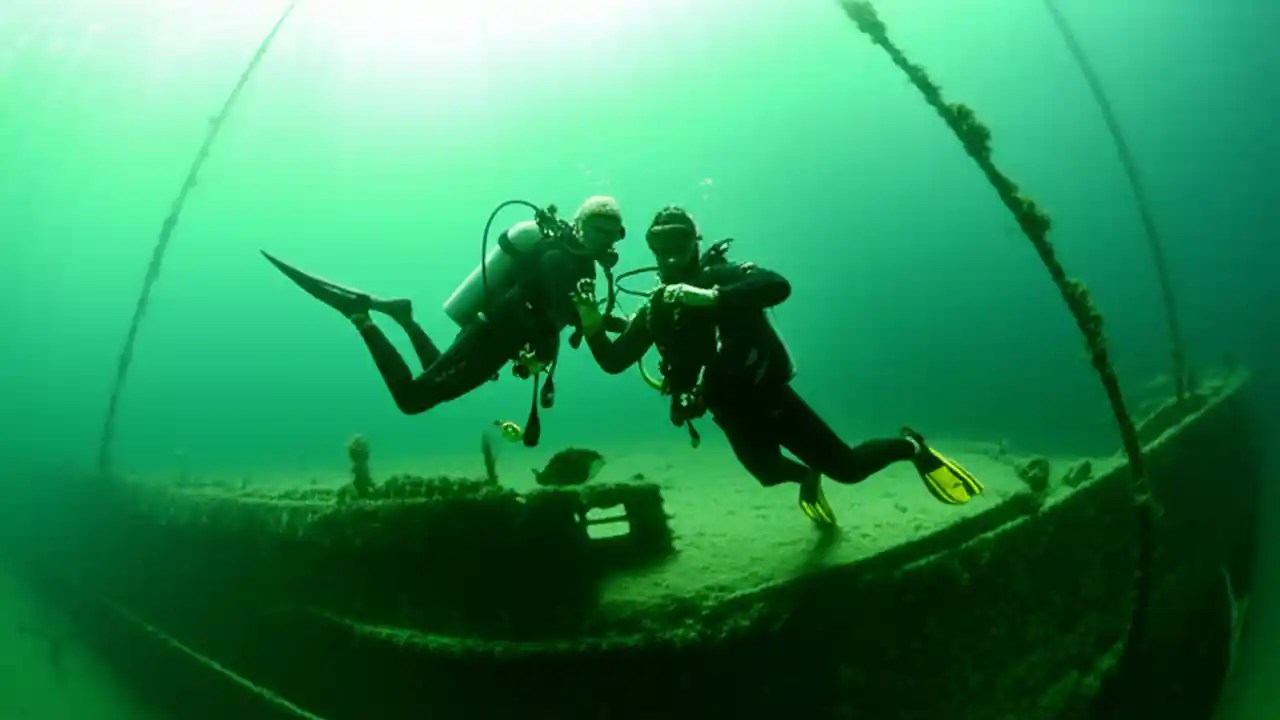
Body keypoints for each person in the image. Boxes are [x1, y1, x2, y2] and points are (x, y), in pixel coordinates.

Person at [570, 205, 984, 526]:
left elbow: (776, 284)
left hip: (772, 400)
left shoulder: (724, 276)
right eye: (659, 244)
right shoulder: (657, 309)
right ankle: (807, 477)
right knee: (769, 474)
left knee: (849, 469)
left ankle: (912, 446)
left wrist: (713, 298)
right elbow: (613, 360)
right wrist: (591, 327)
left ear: (695, 242)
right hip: (730, 415)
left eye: (678, 241)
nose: (669, 254)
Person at [262, 196, 626, 443]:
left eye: (616, 233)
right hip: (493, 337)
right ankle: (360, 317)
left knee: (435, 372)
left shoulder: (580, 264)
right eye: (601, 229)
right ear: (580, 224)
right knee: (412, 399)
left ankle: (404, 317)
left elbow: (572, 312)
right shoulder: (559, 259)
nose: (609, 239)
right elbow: (553, 308)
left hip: (496, 338)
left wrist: (609, 324)